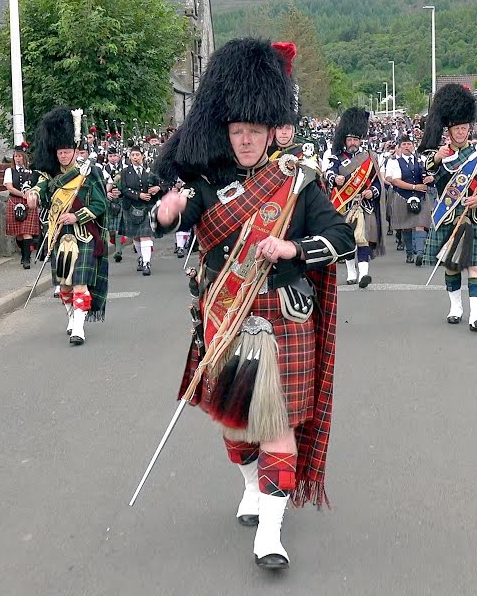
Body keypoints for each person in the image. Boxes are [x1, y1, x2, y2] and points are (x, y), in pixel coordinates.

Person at [152, 37, 354, 570]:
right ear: (227, 130)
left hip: (284, 316)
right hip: (226, 314)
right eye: (237, 131)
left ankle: (271, 532)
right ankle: (250, 485)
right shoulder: (208, 182)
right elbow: (177, 215)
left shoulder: (298, 183)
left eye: (254, 131)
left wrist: (291, 247)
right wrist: (169, 212)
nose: (245, 141)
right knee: (237, 425)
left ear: (270, 130)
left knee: (279, 423)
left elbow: (343, 238)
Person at [418, 84, 477, 331]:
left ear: (469, 128)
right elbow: (428, 172)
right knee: (452, 266)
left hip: (475, 218)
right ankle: (455, 308)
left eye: (464, 128)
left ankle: (476, 315)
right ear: (449, 131)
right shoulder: (441, 155)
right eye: (456, 129)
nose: (461, 132)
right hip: (450, 218)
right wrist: (438, 157)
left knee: (475, 265)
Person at [29, 107, 110, 346]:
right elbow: (39, 190)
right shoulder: (49, 176)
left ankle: (79, 328)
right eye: (60, 152)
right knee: (64, 286)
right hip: (58, 235)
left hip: (83, 236)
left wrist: (77, 217)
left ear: (75, 150)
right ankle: (72, 316)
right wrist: (32, 195)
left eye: (67, 152)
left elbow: (100, 203)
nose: (63, 156)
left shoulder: (88, 173)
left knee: (79, 283)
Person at [326, 107, 385, 287]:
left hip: (364, 203)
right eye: (350, 139)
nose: (353, 142)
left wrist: (372, 192)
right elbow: (328, 174)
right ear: (345, 140)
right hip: (344, 204)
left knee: (363, 238)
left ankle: (364, 275)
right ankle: (352, 272)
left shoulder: (370, 157)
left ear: (360, 140)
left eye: (355, 139)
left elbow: (377, 182)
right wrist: (335, 178)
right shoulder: (337, 158)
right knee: (349, 239)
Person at [384, 133, 435, 266]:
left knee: (420, 225)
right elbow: (395, 181)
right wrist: (414, 186)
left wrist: (430, 179)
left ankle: (420, 253)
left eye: (409, 144)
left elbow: (432, 174)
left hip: (421, 196)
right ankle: (409, 253)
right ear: (400, 147)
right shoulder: (394, 161)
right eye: (404, 144)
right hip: (403, 196)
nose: (407, 147)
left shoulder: (422, 159)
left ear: (413, 145)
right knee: (406, 227)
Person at [116, 145, 165, 275]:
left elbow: (164, 182)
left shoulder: (151, 170)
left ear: (142, 156)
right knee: (137, 237)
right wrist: (139, 195)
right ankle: (142, 258)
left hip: (148, 206)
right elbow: (124, 189)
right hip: (131, 206)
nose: (135, 157)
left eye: (137, 155)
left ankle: (146, 263)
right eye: (132, 155)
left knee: (145, 235)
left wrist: (158, 188)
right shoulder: (125, 172)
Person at [3, 142, 42, 268]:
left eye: (20, 156)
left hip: (29, 203)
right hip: (14, 201)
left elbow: (37, 185)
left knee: (27, 232)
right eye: (15, 156)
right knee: (19, 234)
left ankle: (26, 259)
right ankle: (23, 253)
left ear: (24, 157)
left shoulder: (32, 171)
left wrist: (30, 195)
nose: (17, 159)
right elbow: (9, 187)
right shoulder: (9, 171)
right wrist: (22, 194)